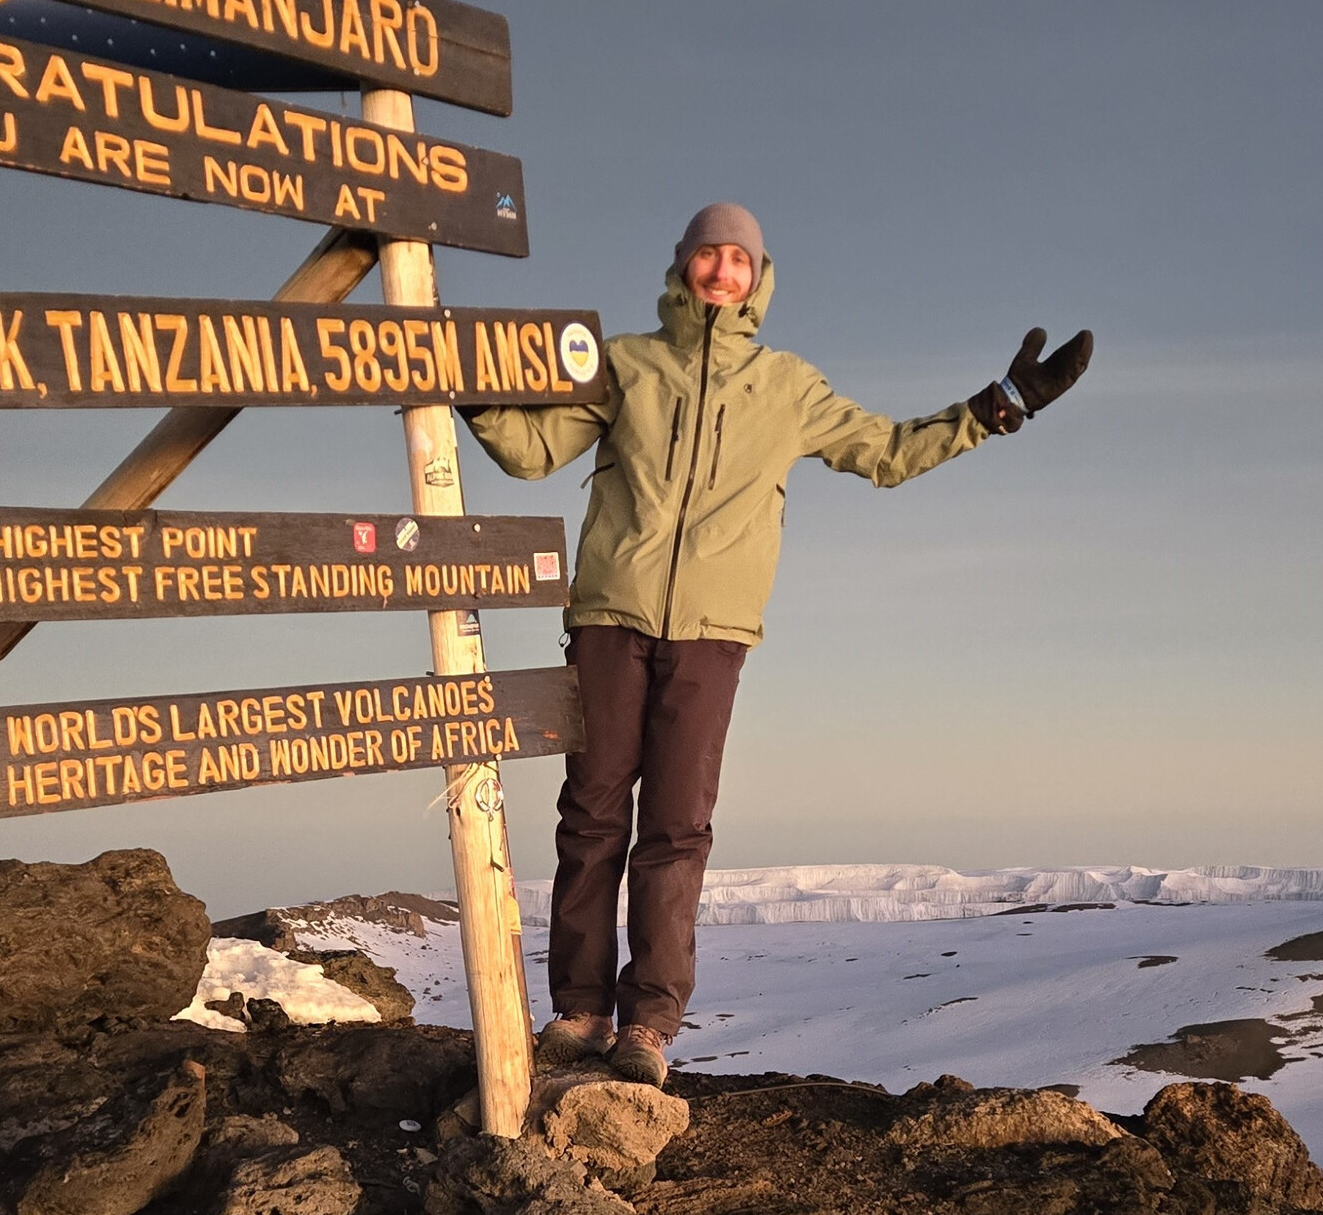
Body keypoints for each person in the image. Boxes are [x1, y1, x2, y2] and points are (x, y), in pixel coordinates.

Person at [461, 203, 1091, 1088]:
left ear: (760, 277)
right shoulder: (627, 367)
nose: (723, 271)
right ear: (683, 267)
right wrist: (472, 392)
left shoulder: (788, 387)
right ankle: (578, 1010)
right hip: (611, 617)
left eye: (739, 260)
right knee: (594, 811)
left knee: (677, 825)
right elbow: (531, 452)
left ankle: (647, 1024)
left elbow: (888, 451)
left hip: (714, 634)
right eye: (709, 255)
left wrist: (999, 406)